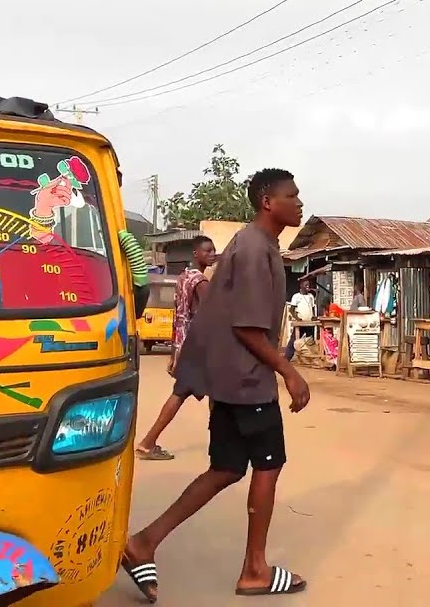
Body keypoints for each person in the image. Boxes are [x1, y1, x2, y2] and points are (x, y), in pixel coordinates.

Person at [122, 168, 311, 600]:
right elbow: (247, 327)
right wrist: (289, 371)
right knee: (269, 464)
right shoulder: (252, 248)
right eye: (292, 195)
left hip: (230, 378)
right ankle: (255, 570)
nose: (300, 202)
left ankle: (142, 544)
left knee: (226, 468)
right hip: (245, 379)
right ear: (268, 201)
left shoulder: (256, 245)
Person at [135, 235, 216, 461]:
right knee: (189, 392)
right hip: (197, 345)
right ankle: (147, 443)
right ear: (195, 254)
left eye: (213, 251)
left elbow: (178, 317)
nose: (211, 255)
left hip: (184, 344)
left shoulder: (183, 278)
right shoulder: (201, 282)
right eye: (207, 251)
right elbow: (212, 314)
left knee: (205, 391)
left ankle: (219, 442)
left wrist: (174, 352)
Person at [285, 279, 318, 359]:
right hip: (300, 322)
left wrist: (313, 316)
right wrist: (297, 318)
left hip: (309, 323)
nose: (308, 286)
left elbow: (313, 308)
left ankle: (311, 358)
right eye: (306, 285)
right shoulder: (296, 296)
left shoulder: (311, 296)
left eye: (308, 285)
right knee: (294, 339)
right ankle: (287, 357)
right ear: (301, 286)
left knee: (310, 340)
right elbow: (291, 310)